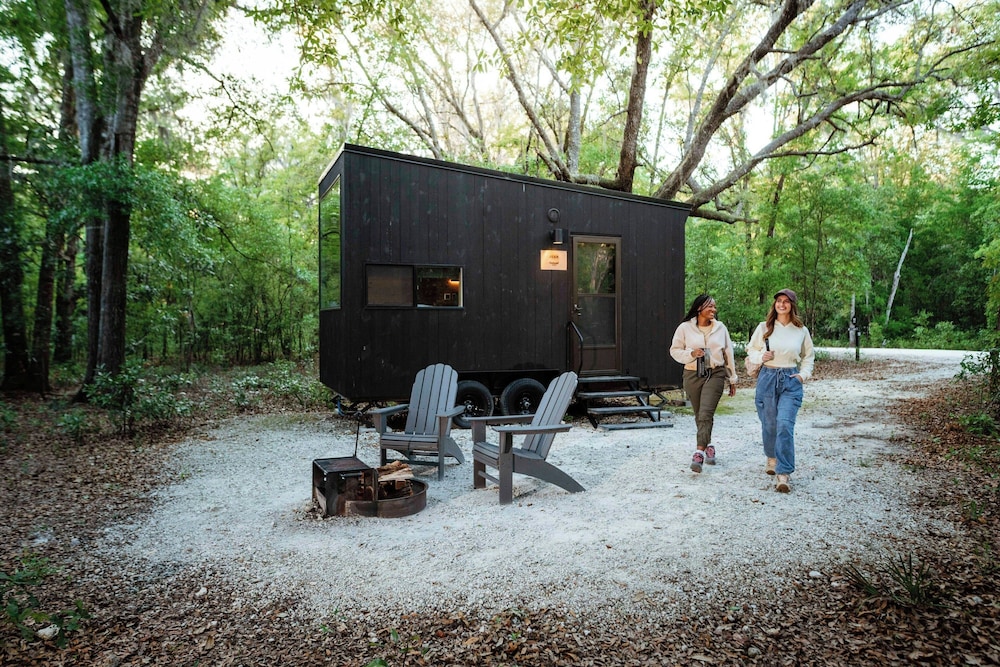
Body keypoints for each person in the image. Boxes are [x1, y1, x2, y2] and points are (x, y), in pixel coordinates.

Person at [746, 289, 815, 493]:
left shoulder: (801, 330)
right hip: (767, 377)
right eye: (778, 301)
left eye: (786, 301)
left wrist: (803, 375)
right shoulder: (764, 327)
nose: (782, 304)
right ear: (774, 304)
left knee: (784, 424)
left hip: (790, 380)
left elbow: (809, 356)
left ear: (792, 305)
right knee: (769, 424)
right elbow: (751, 350)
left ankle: (783, 474)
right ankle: (771, 456)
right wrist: (761, 357)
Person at [670, 294, 738, 473]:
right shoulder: (685, 328)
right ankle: (709, 445)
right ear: (699, 308)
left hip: (715, 373)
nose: (714, 310)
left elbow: (728, 353)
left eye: (714, 307)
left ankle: (699, 453)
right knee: (700, 414)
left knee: (706, 412)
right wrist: (691, 354)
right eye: (710, 307)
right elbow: (674, 351)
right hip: (692, 374)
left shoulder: (720, 328)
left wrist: (732, 379)